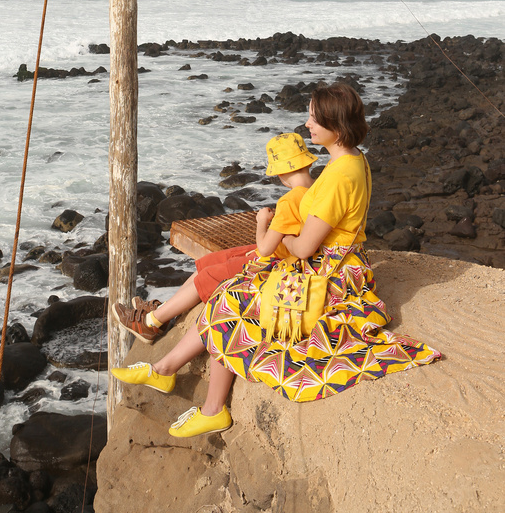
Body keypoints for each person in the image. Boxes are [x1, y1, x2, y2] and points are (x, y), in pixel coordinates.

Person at [111, 83, 441, 439]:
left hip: (330, 274)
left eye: (314, 118)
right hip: (342, 260)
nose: (308, 123)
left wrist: (277, 228)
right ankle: (169, 372)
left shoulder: (338, 178)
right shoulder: (351, 159)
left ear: (338, 127)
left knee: (232, 302)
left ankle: (210, 408)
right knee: (233, 291)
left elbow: (303, 249)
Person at [111, 132, 317, 344]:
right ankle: (164, 309)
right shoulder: (315, 191)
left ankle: (151, 323)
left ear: (280, 172)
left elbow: (264, 248)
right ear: (308, 163)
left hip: (273, 262)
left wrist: (261, 222)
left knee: (207, 276)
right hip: (282, 257)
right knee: (210, 262)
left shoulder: (290, 200)